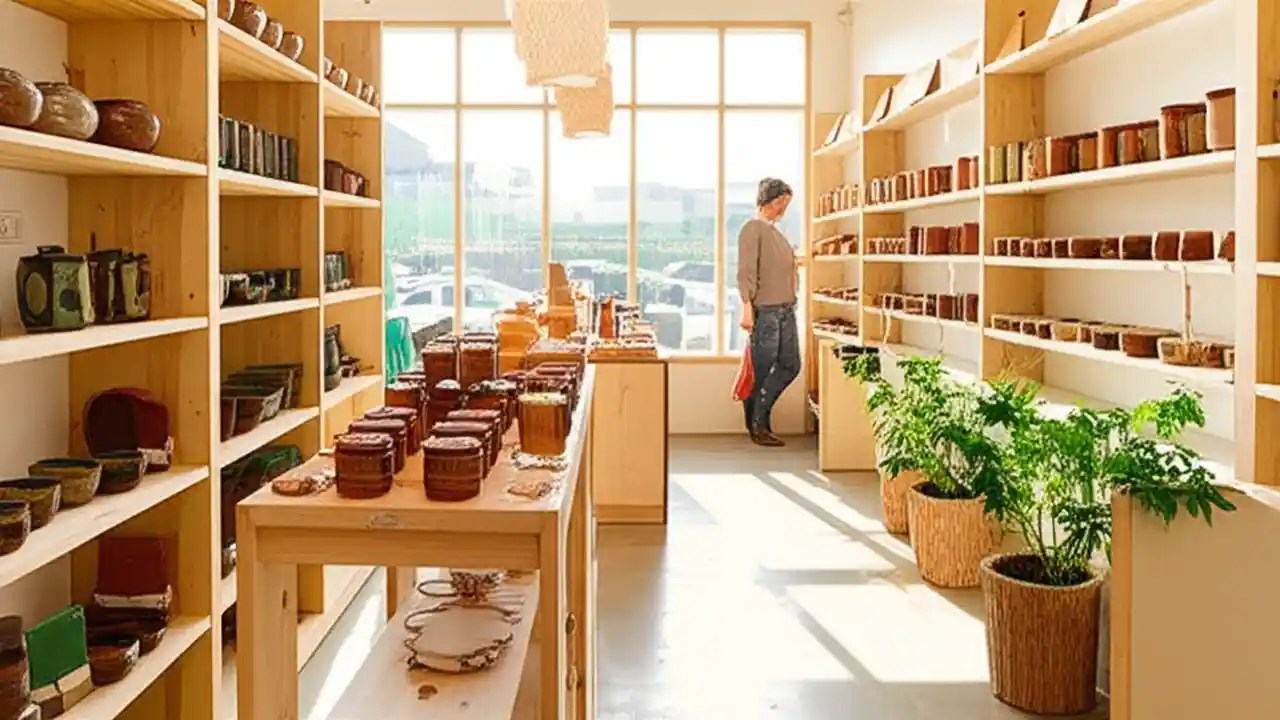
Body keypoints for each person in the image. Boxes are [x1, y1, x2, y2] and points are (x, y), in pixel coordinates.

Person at [737, 177, 798, 447]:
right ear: (767, 201)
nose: (783, 207)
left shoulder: (776, 233)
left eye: (785, 202)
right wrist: (747, 307)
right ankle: (758, 425)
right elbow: (746, 272)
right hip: (767, 312)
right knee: (762, 371)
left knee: (791, 365)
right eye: (779, 201)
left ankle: (758, 417)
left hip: (786, 309)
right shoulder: (753, 229)